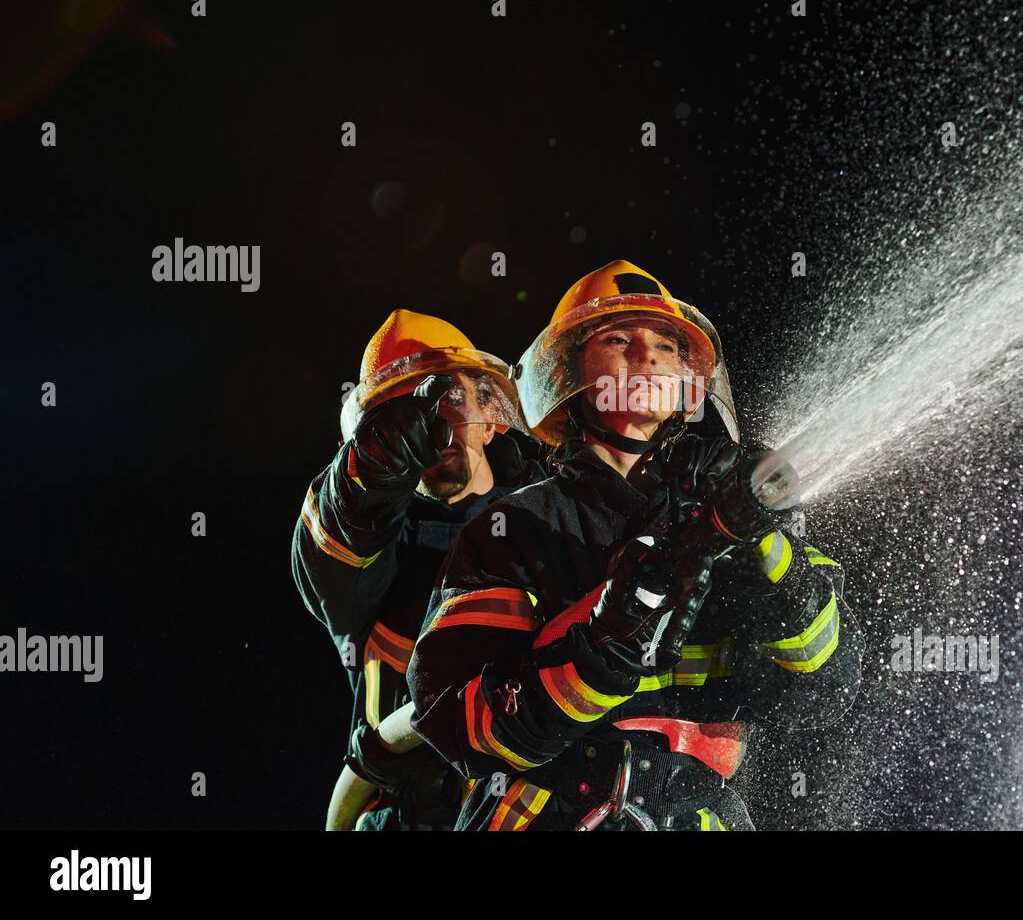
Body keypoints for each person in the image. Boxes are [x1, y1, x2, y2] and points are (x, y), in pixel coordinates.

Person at [406, 260, 862, 830]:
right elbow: (462, 724)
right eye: (617, 339)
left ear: (690, 382)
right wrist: (601, 641)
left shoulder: (751, 517)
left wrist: (752, 540)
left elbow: (827, 687)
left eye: (668, 346)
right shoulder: (515, 528)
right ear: (570, 371)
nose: (645, 355)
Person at [290, 309, 541, 829]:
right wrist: (366, 479)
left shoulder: (555, 525)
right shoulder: (371, 547)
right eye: (399, 414)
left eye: (447, 398)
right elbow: (329, 561)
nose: (429, 427)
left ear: (492, 417)